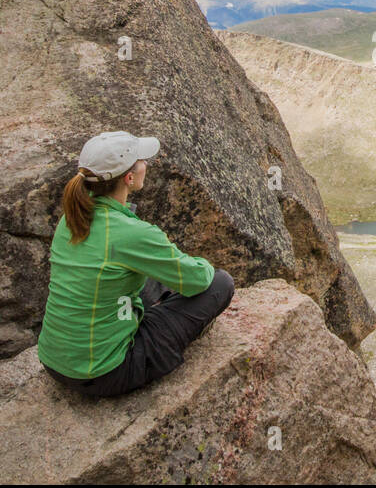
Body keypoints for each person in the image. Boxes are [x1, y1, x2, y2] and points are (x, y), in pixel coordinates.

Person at [37, 131, 234, 397]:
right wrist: (200, 263)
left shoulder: (71, 219)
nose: (146, 164)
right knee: (221, 283)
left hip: (54, 362)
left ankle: (151, 309)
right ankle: (154, 322)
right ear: (129, 178)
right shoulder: (133, 234)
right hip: (104, 373)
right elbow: (199, 279)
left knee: (136, 271)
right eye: (141, 160)